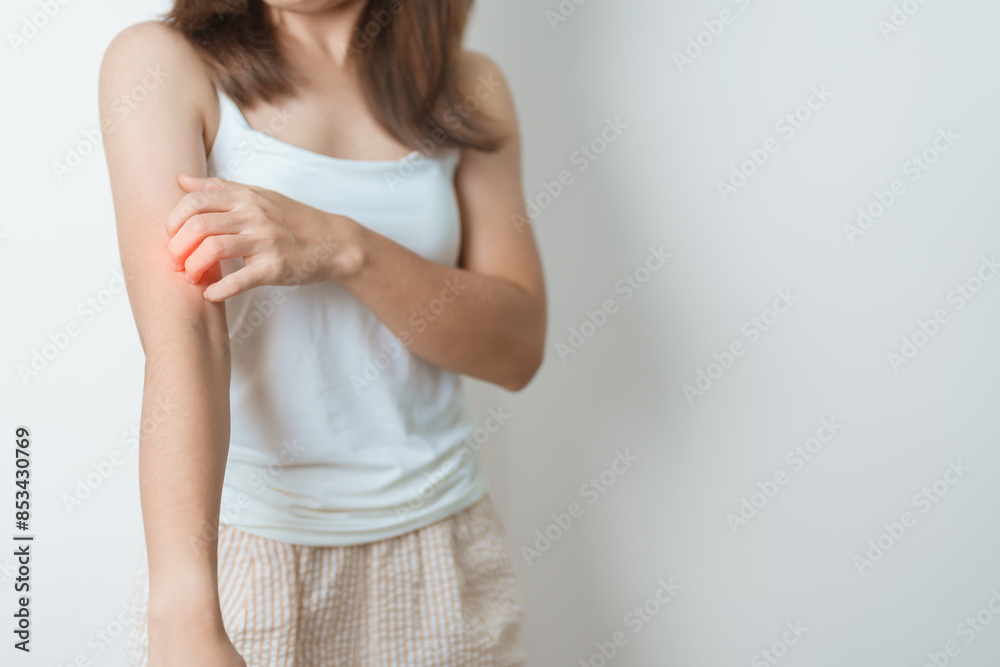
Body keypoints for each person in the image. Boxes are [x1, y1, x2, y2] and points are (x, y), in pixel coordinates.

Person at [98, 1, 546, 664]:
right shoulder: (162, 64)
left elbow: (516, 346)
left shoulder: (465, 86)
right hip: (252, 558)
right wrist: (183, 608)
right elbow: (188, 338)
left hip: (446, 554)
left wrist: (346, 247)